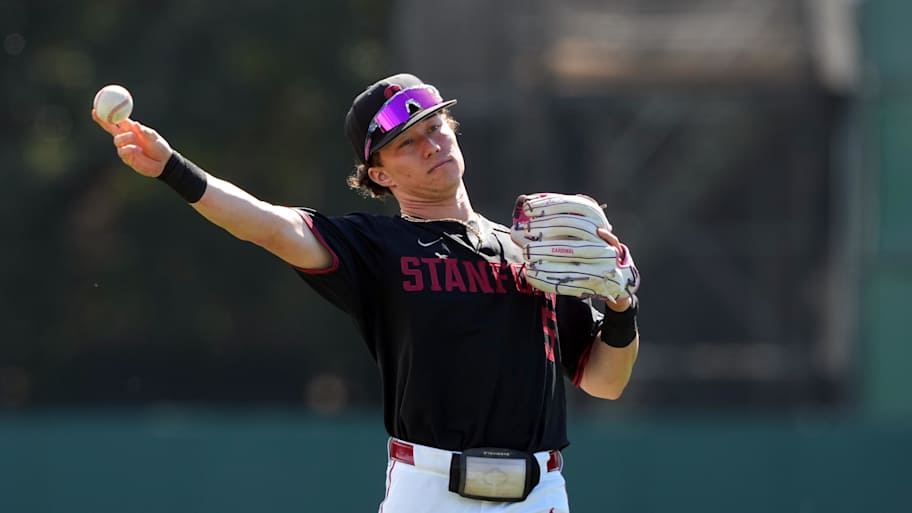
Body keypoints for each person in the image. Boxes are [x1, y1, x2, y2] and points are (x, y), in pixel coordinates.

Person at [93, 73, 640, 513]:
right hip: (431, 493)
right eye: (406, 143)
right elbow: (269, 226)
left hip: (540, 493)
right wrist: (173, 169)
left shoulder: (534, 253)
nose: (430, 145)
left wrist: (620, 308)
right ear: (379, 175)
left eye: (435, 128)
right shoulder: (378, 248)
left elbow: (604, 380)